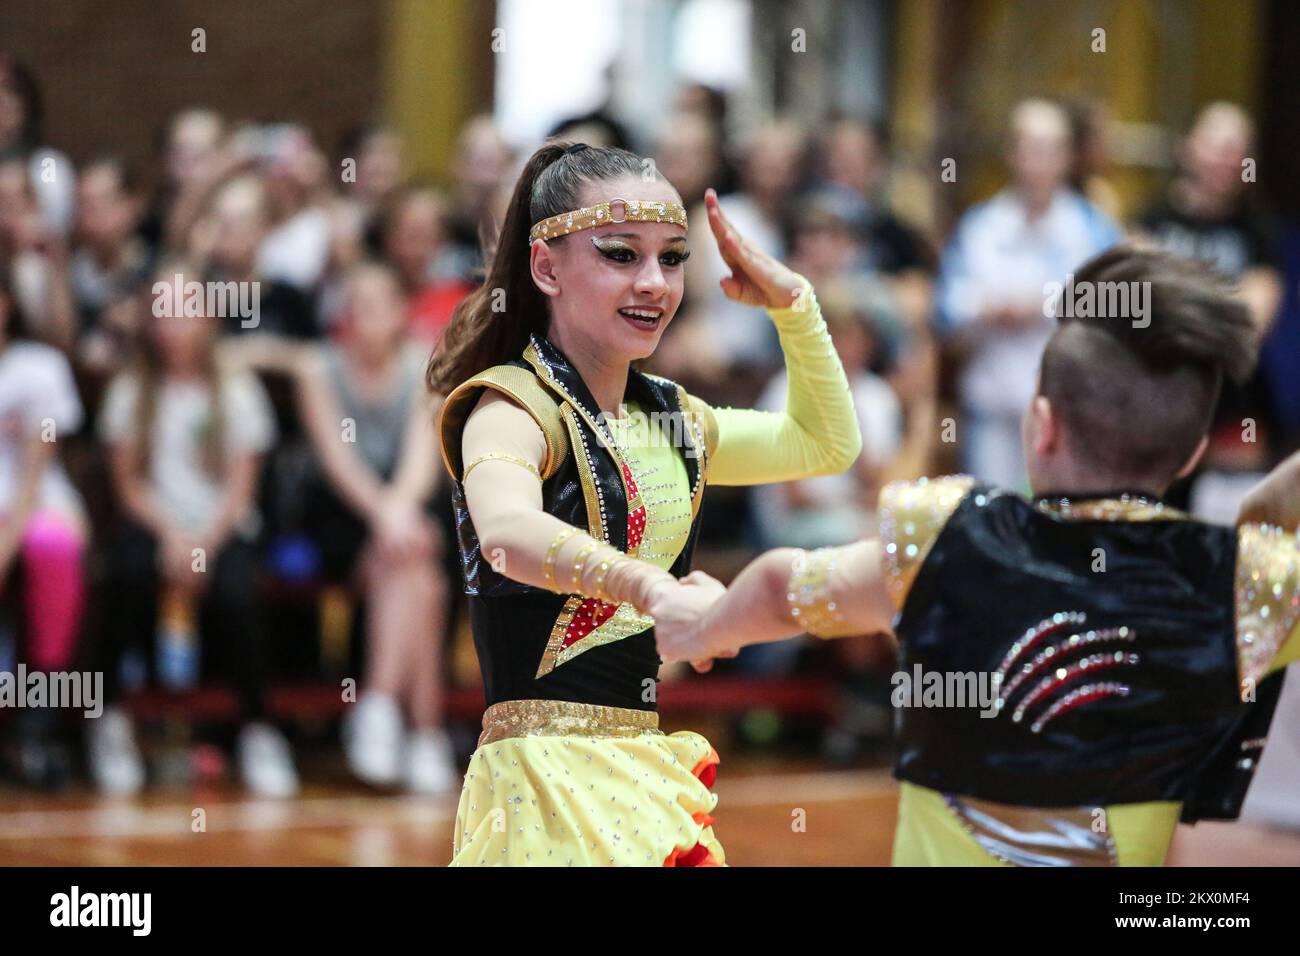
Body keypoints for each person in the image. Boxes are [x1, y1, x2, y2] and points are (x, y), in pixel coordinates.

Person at [652, 244, 1299, 866]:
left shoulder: (946, 535)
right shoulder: (1246, 585)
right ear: (1189, 456)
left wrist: (703, 623)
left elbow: (777, 586)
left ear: (1040, 425)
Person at [427, 140, 862, 866]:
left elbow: (822, 444)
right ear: (546, 267)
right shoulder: (511, 405)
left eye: (673, 257)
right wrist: (648, 586)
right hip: (541, 784)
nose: (655, 283)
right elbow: (505, 533)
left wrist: (794, 306)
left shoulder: (672, 418)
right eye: (622, 255)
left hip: (643, 770)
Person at [92, 260, 298, 797]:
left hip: (222, 526)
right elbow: (128, 484)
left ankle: (258, 728)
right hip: (155, 524)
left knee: (236, 594)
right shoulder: (131, 389)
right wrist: (172, 538)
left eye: (184, 309)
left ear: (207, 317)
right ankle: (111, 722)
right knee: (126, 577)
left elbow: (241, 484)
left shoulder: (234, 387)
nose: (173, 322)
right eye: (162, 311)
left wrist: (202, 543)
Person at [294, 262, 455, 793]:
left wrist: (397, 512)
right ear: (343, 316)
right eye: (356, 305)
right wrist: (387, 516)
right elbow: (337, 461)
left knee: (419, 569)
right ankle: (423, 734)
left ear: (400, 312)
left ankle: (382, 708)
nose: (368, 315)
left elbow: (421, 453)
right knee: (417, 563)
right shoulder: (317, 368)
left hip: (401, 510)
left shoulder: (424, 362)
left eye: (379, 303)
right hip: (341, 514)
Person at [936, 98, 1121, 490]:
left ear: (1068, 157)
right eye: (1030, 147)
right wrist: (987, 308)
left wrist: (1047, 302)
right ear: (1011, 152)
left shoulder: (1094, 229)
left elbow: (1123, 304)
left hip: (1069, 416)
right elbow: (944, 311)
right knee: (993, 522)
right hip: (992, 410)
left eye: (1051, 149)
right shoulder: (980, 226)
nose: (1039, 161)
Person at [0, 275, 87, 787]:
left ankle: (38, 723)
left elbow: (36, 470)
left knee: (54, 549)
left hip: (32, 505)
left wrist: (6, 545)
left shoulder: (39, 367)